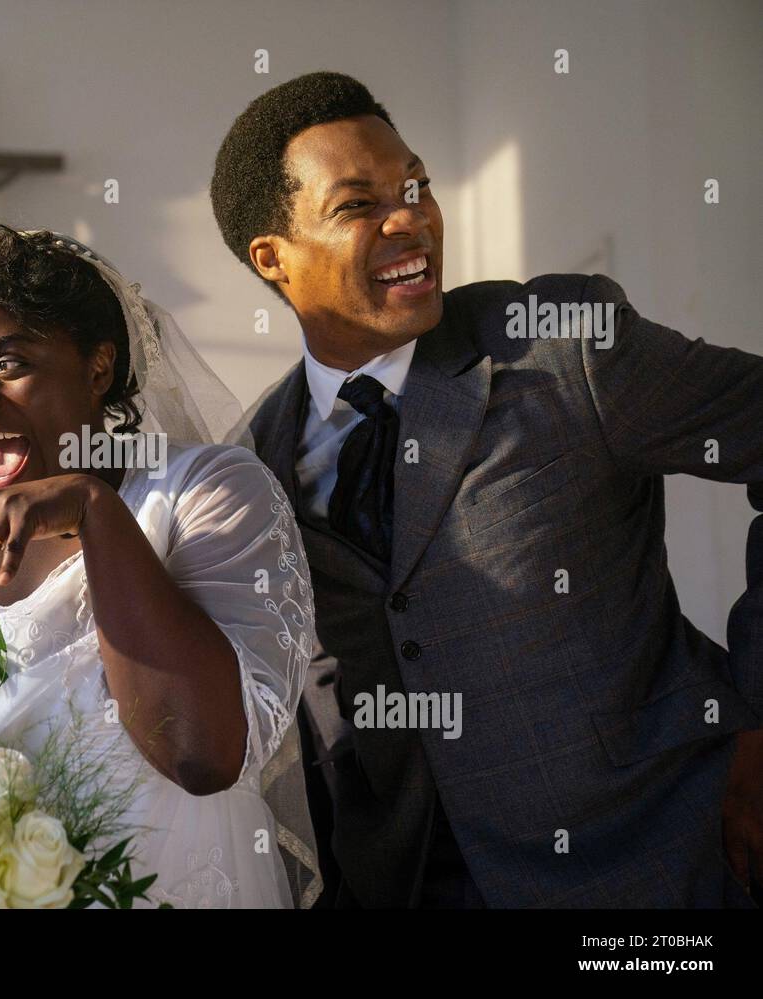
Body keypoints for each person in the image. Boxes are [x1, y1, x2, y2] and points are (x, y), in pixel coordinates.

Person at [214, 71, 763, 907]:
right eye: (359, 205)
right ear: (273, 259)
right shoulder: (255, 458)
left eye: (416, 187)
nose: (411, 220)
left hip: (660, 864)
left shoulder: (563, 346)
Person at [0, 225, 321, 907]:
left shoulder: (208, 495)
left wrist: (95, 512)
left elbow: (204, 753)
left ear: (99, 368)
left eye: (10, 365)